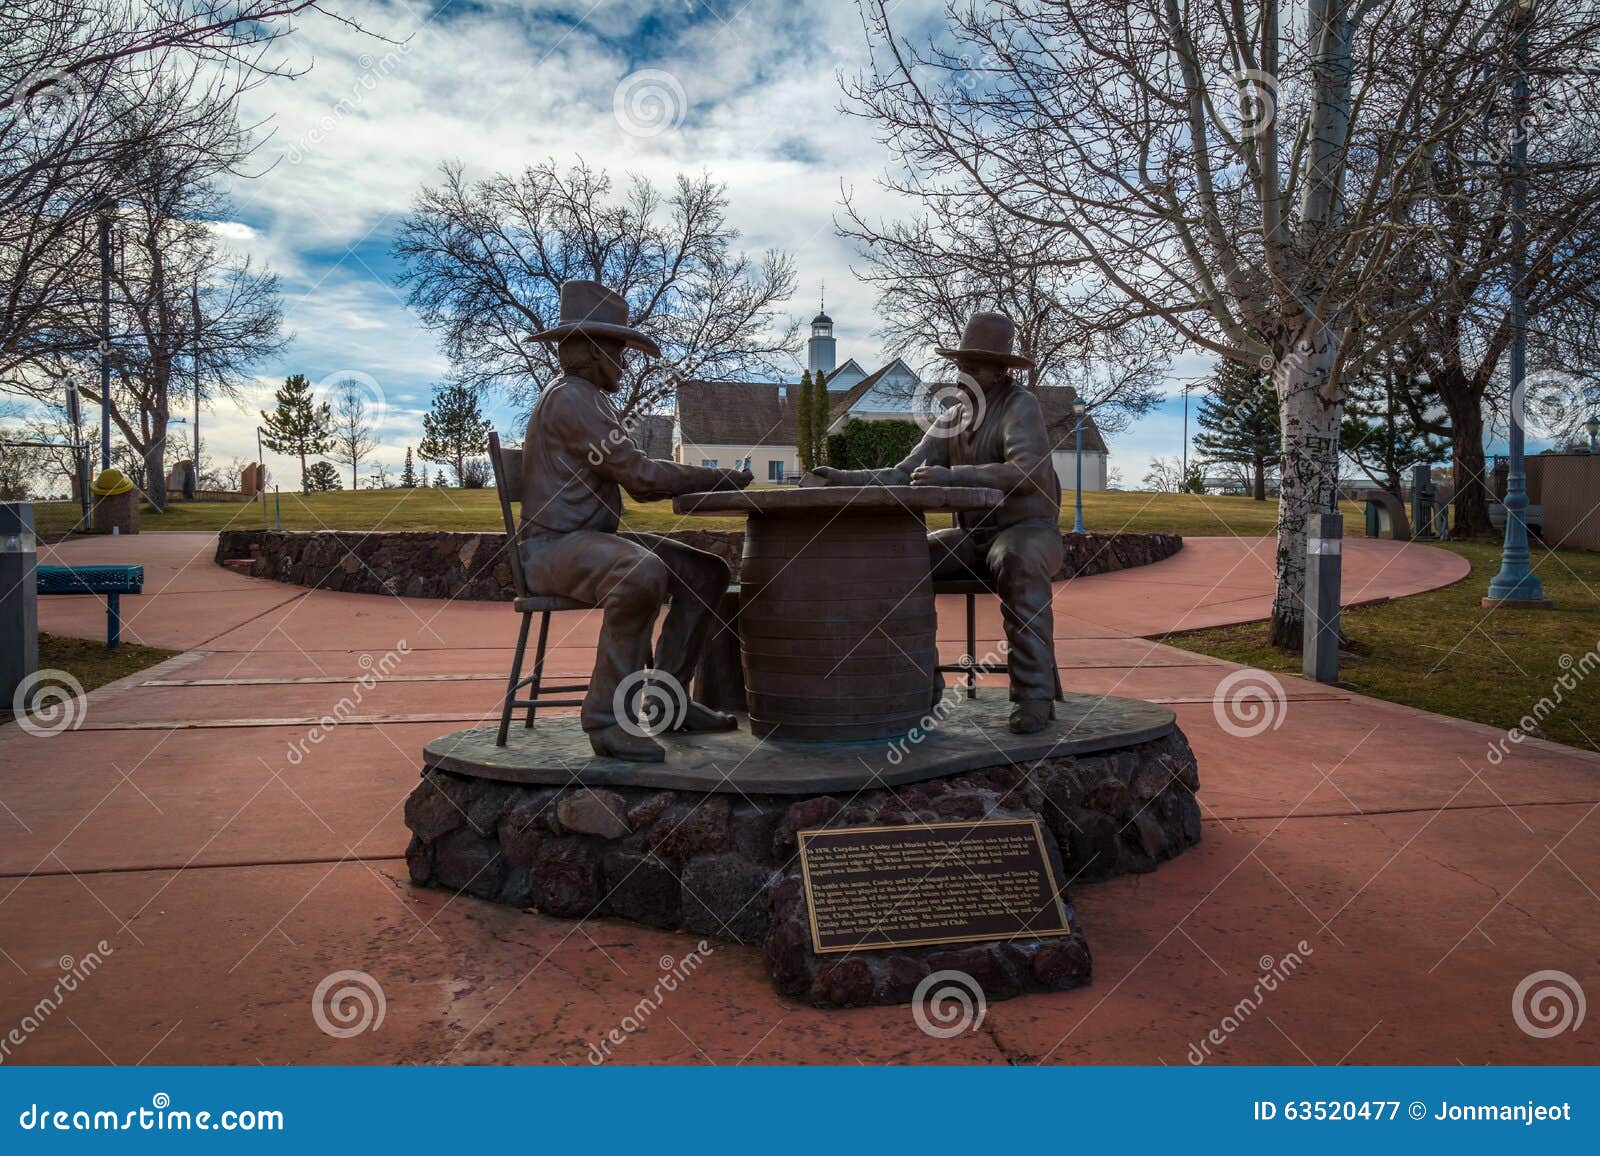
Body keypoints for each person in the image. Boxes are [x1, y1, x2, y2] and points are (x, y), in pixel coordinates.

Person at [519, 280, 752, 761]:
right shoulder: (572, 399)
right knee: (638, 572)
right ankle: (606, 721)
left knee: (704, 572)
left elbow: (635, 477)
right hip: (552, 550)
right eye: (618, 349)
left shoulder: (590, 398)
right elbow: (641, 478)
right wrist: (718, 478)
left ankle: (667, 700)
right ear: (591, 351)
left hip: (586, 540)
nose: (625, 361)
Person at [808, 312, 1063, 734]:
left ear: (1000, 373)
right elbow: (901, 473)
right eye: (961, 367)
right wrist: (842, 476)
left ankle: (1034, 696)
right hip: (971, 537)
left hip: (1029, 532)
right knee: (903, 560)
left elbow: (1027, 472)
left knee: (1017, 561)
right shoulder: (952, 417)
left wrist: (955, 475)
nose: (964, 377)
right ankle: (921, 684)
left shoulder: (1023, 406)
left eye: (975, 368)